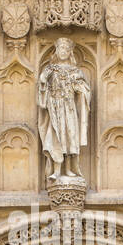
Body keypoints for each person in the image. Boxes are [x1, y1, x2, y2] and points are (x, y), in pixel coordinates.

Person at [37, 37, 91, 181]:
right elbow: (42, 84)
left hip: (69, 109)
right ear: (57, 51)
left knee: (69, 136)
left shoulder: (75, 71)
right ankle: (56, 170)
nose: (63, 51)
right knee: (57, 137)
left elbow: (84, 89)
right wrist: (43, 80)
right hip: (55, 108)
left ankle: (68, 168)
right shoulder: (50, 69)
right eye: (61, 48)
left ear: (70, 52)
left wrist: (80, 88)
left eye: (66, 49)